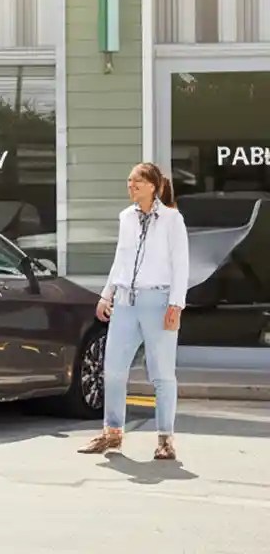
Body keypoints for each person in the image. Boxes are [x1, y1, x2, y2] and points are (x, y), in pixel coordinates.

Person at [79, 162, 189, 460]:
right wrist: (107, 295)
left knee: (162, 374)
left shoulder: (171, 219)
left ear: (153, 186)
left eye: (137, 182)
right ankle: (112, 433)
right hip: (126, 301)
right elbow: (121, 258)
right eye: (129, 181)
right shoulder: (125, 218)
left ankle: (165, 439)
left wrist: (176, 304)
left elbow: (181, 264)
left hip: (159, 300)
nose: (131, 186)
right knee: (112, 369)